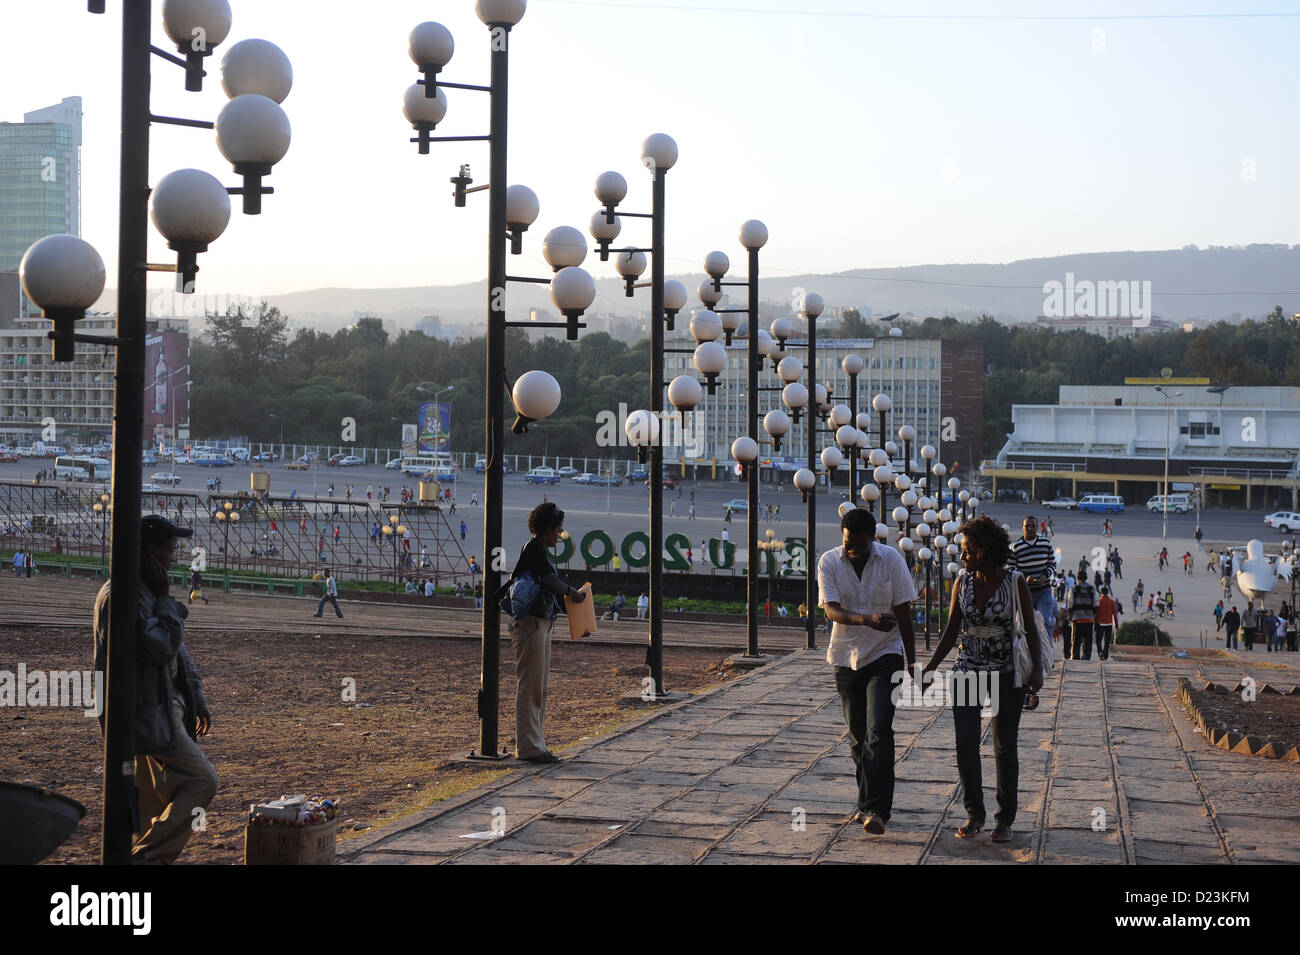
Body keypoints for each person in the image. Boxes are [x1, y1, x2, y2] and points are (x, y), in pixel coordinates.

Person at [93, 515, 216, 863]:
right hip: (145, 713)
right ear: (150, 553)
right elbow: (161, 646)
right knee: (203, 780)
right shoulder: (127, 595)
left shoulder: (143, 589)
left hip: (158, 707)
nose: (173, 556)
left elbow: (179, 652)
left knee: (150, 803)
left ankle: (140, 857)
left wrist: (197, 697)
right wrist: (167, 604)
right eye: (168, 549)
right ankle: (144, 859)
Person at [923, 515, 1042, 844]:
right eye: (962, 551)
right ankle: (975, 813)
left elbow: (1030, 628)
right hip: (967, 669)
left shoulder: (1015, 581)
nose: (962, 557)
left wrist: (1036, 671)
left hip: (1006, 672)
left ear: (988, 550)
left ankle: (1005, 819)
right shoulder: (962, 581)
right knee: (965, 744)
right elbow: (950, 630)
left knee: (1004, 747)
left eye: (969, 551)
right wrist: (930, 667)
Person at [818, 507, 917, 836]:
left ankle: (876, 808)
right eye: (848, 543)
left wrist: (914, 662)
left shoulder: (891, 560)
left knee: (879, 730)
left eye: (859, 545)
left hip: (886, 653)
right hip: (845, 656)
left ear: (872, 539)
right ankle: (866, 804)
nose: (852, 550)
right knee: (859, 736)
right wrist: (866, 619)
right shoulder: (829, 562)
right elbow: (831, 609)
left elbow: (904, 613)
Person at [505, 502, 587, 764]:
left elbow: (550, 588)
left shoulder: (539, 551)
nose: (559, 535)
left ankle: (535, 743)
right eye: (557, 530)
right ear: (545, 530)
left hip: (539, 624)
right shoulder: (534, 551)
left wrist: (579, 619)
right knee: (531, 687)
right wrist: (570, 591)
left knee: (538, 688)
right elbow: (550, 583)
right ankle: (529, 747)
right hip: (530, 625)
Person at [1007, 516, 1057, 665]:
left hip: (1043, 590)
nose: (1030, 528)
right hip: (1024, 592)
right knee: (1023, 624)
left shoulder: (1045, 543)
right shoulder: (1015, 546)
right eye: (1027, 526)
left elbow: (1052, 563)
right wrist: (1024, 578)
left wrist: (1044, 575)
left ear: (1037, 528)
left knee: (1045, 622)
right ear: (1022, 527)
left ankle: (1048, 656)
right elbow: (1010, 568)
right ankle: (1025, 655)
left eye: (1033, 526)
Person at [1067, 572, 1097, 660]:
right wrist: (1093, 615)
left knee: (1076, 640)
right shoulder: (1092, 588)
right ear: (1086, 578)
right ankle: (1086, 656)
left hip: (1077, 618)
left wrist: (1070, 615)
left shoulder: (1073, 588)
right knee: (1088, 640)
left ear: (1077, 578)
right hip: (1089, 619)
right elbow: (1096, 604)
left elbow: (1070, 603)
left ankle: (1075, 657)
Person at [1095, 586, 1121, 661]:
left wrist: (1095, 623)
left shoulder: (1099, 601)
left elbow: (1096, 613)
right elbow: (1115, 615)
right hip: (1109, 623)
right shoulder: (1112, 602)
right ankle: (1105, 653)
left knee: (1098, 639)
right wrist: (1116, 625)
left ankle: (1100, 652)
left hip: (1100, 623)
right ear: (1108, 592)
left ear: (1101, 592)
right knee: (1107, 640)